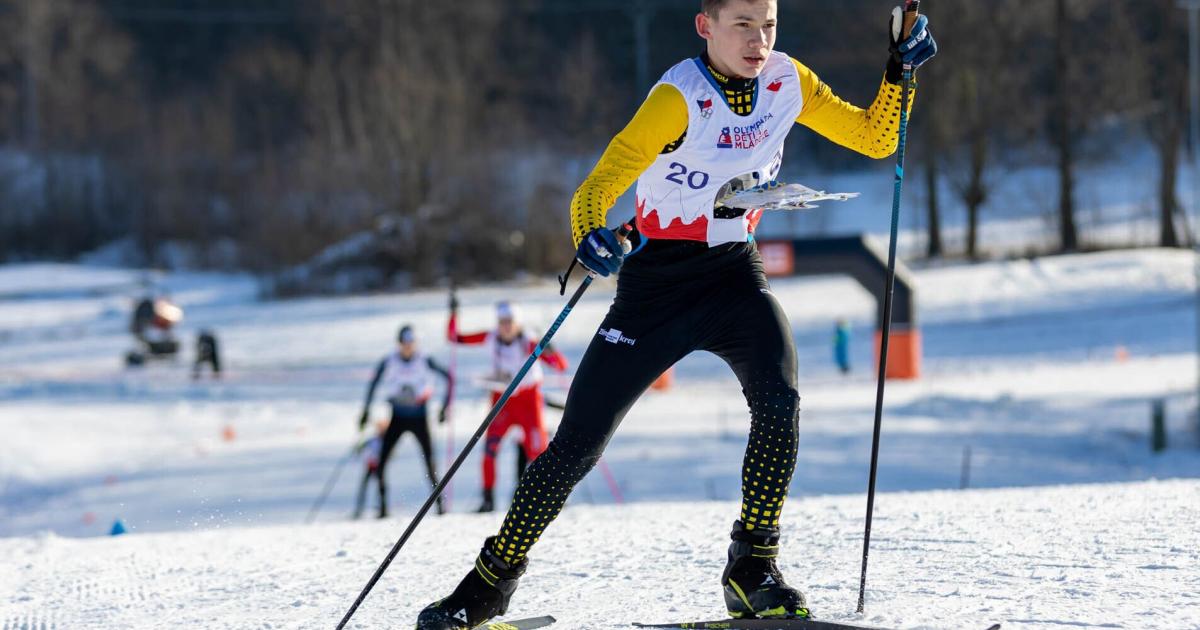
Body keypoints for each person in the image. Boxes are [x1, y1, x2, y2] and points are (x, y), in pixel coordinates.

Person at [415, 1, 936, 627]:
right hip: (656, 287)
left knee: (780, 401)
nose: (758, 40)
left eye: (768, 24)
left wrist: (898, 71)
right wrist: (591, 234)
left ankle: (753, 569)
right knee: (577, 444)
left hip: (734, 275)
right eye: (742, 24)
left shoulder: (788, 82)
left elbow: (878, 137)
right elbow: (598, 188)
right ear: (705, 26)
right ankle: (489, 584)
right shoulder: (677, 98)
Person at [447, 301, 569, 513]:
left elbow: (560, 366)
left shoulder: (529, 342)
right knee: (489, 451)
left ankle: (548, 497)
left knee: (538, 452)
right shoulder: (491, 337)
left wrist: (550, 349)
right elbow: (455, 338)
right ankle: (488, 501)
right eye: (502, 322)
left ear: (518, 323)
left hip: (529, 401)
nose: (505, 327)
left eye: (510, 322)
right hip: (502, 401)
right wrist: (454, 314)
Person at [358, 325, 452, 519]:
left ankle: (440, 507)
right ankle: (383, 508)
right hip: (398, 417)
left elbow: (450, 378)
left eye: (411, 343)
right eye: (404, 343)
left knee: (430, 464)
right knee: (381, 463)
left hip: (419, 417)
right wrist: (366, 411)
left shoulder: (425, 359)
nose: (408, 347)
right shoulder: (389, 361)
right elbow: (373, 384)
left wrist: (445, 407)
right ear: (399, 343)